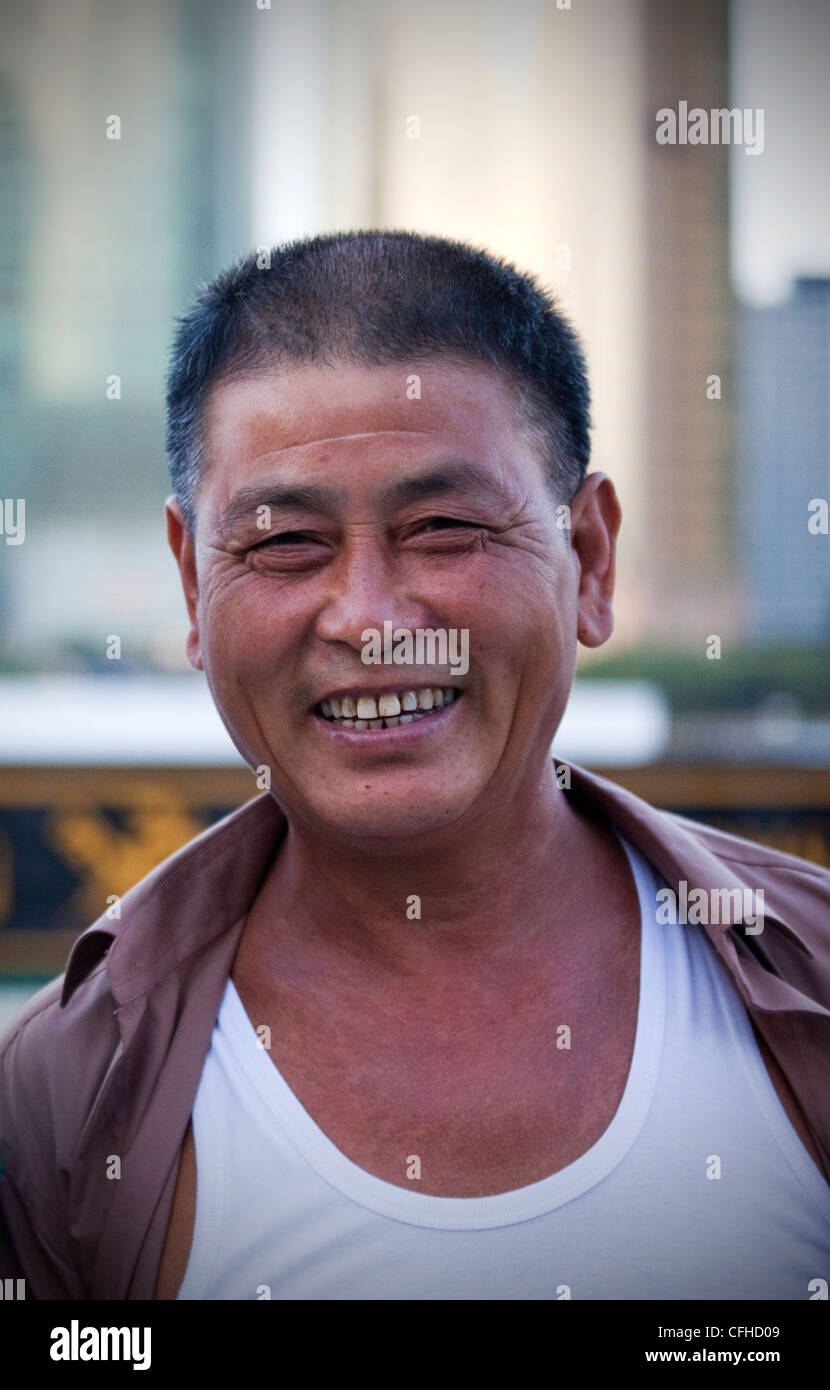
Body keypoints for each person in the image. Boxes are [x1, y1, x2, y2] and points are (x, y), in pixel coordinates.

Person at [1, 230, 828, 1301]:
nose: (371, 621)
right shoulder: (66, 1093)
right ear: (191, 584)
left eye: (443, 527)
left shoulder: (803, 982)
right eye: (284, 542)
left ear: (587, 557)